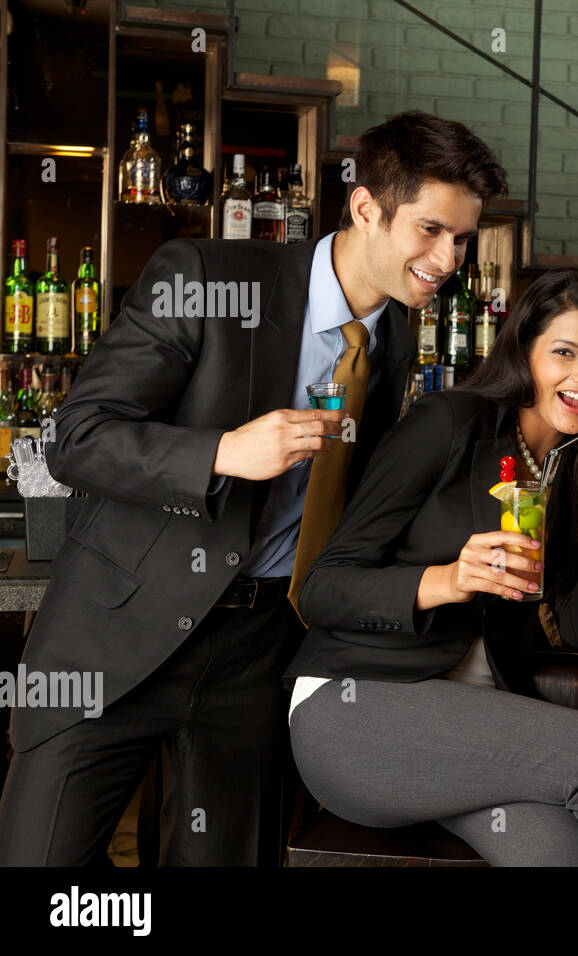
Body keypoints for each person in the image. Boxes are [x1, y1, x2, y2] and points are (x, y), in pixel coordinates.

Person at [0, 111, 507, 866]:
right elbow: (77, 437)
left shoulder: (394, 340)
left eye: (463, 240)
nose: (448, 259)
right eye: (432, 230)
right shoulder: (205, 277)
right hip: (116, 637)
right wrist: (223, 452)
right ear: (365, 207)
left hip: (260, 652)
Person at [285, 269, 578, 867]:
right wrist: (448, 581)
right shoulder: (449, 423)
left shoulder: (576, 468)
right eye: (564, 352)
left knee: (560, 854)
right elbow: (323, 588)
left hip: (471, 738)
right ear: (524, 349)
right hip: (358, 710)